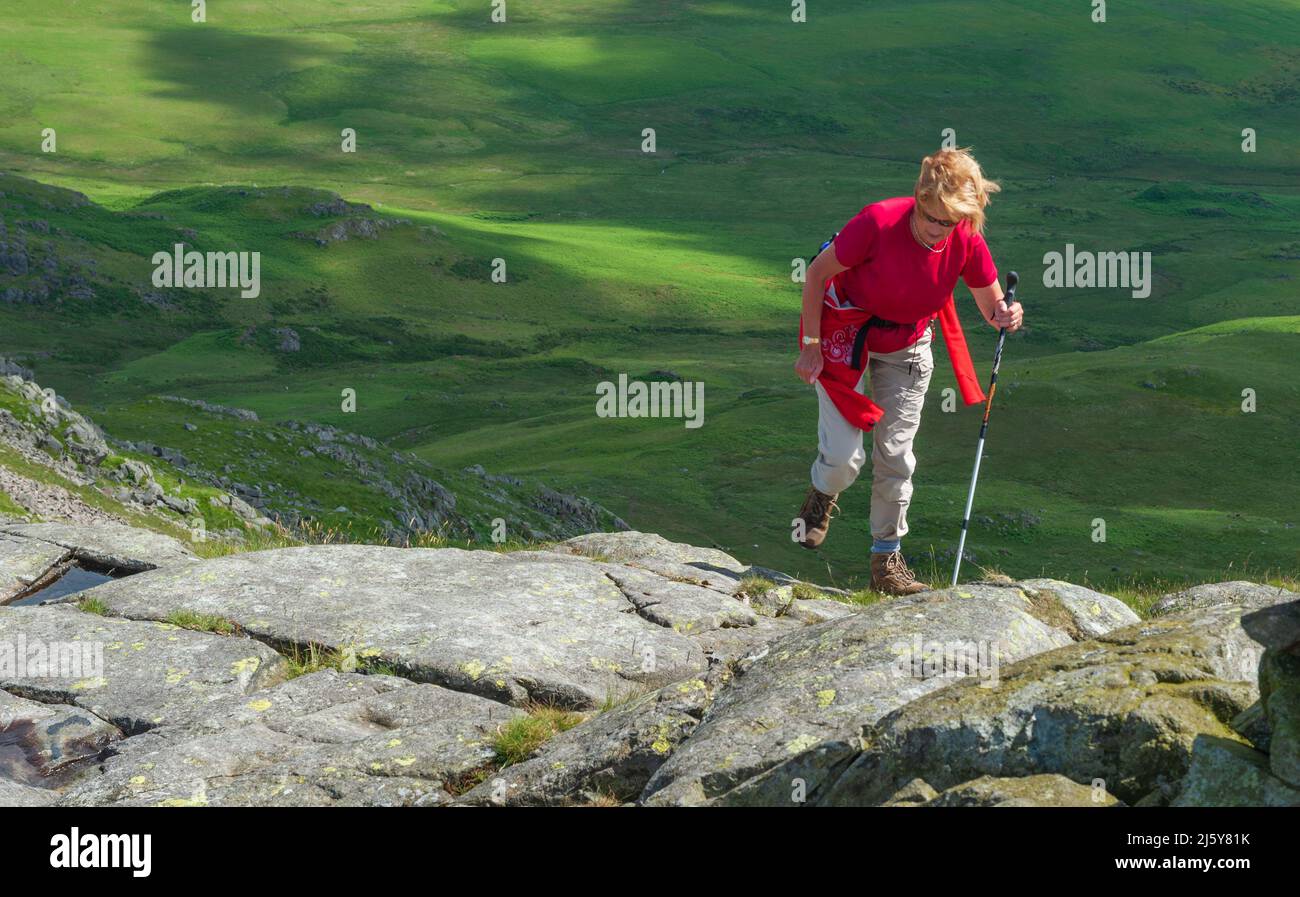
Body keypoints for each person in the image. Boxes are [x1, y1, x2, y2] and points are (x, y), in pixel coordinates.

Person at [793, 147, 1023, 595]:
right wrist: (811, 346)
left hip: (909, 344)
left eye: (951, 222)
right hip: (845, 332)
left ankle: (886, 562)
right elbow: (817, 275)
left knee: (896, 455)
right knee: (844, 459)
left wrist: (1007, 314)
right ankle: (823, 491)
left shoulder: (965, 235)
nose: (941, 231)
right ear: (919, 197)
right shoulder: (877, 222)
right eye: (935, 219)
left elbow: (992, 305)